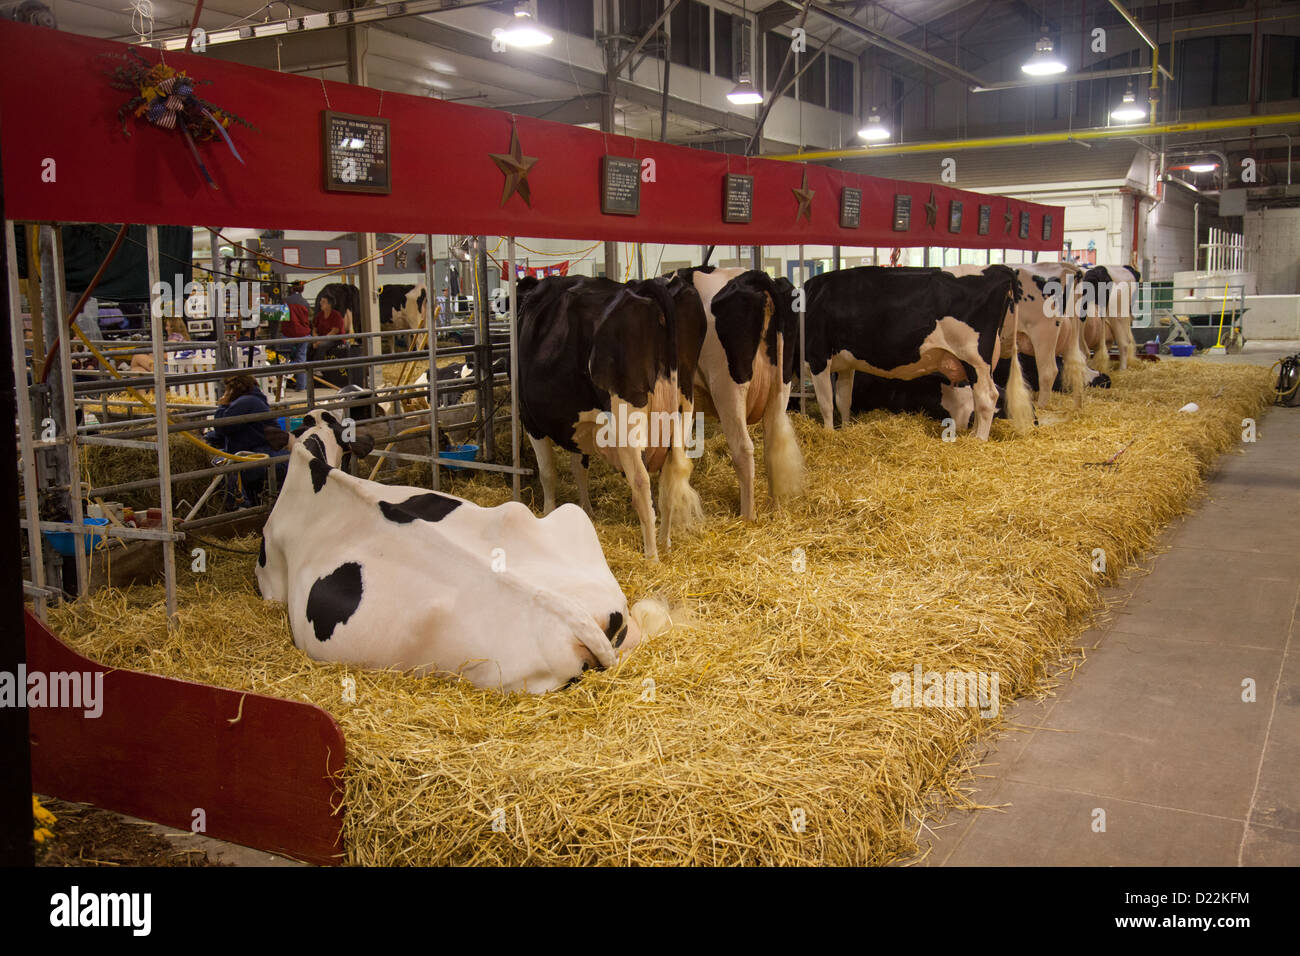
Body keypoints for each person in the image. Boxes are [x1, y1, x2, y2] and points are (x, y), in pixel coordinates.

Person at [204, 372, 288, 507]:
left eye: (227, 389)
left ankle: (240, 506)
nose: (225, 393)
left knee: (222, 465)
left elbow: (222, 426)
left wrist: (223, 405)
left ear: (233, 389)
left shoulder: (246, 402)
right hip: (264, 451)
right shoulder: (252, 400)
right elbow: (231, 430)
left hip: (261, 454)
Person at [283, 282, 312, 391]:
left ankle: (282, 383)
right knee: (301, 358)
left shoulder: (285, 301)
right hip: (303, 334)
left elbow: (282, 318)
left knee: (283, 358)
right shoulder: (305, 303)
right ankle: (301, 386)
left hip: (288, 334)